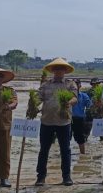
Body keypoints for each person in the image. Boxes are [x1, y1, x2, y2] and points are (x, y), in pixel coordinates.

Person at [35, 58, 78, 186]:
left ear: (65, 71)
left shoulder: (70, 84)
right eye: (56, 69)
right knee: (44, 150)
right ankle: (40, 177)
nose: (59, 71)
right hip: (46, 121)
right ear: (53, 70)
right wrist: (33, 105)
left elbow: (75, 98)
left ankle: (66, 177)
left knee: (65, 150)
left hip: (63, 122)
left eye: (61, 69)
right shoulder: (45, 84)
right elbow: (38, 98)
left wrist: (68, 102)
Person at [71, 79, 92, 155]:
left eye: (77, 83)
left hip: (79, 120)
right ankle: (63, 154)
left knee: (80, 138)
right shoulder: (67, 95)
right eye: (74, 83)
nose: (75, 85)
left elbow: (90, 106)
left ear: (80, 85)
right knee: (66, 138)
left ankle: (82, 154)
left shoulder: (84, 96)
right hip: (68, 119)